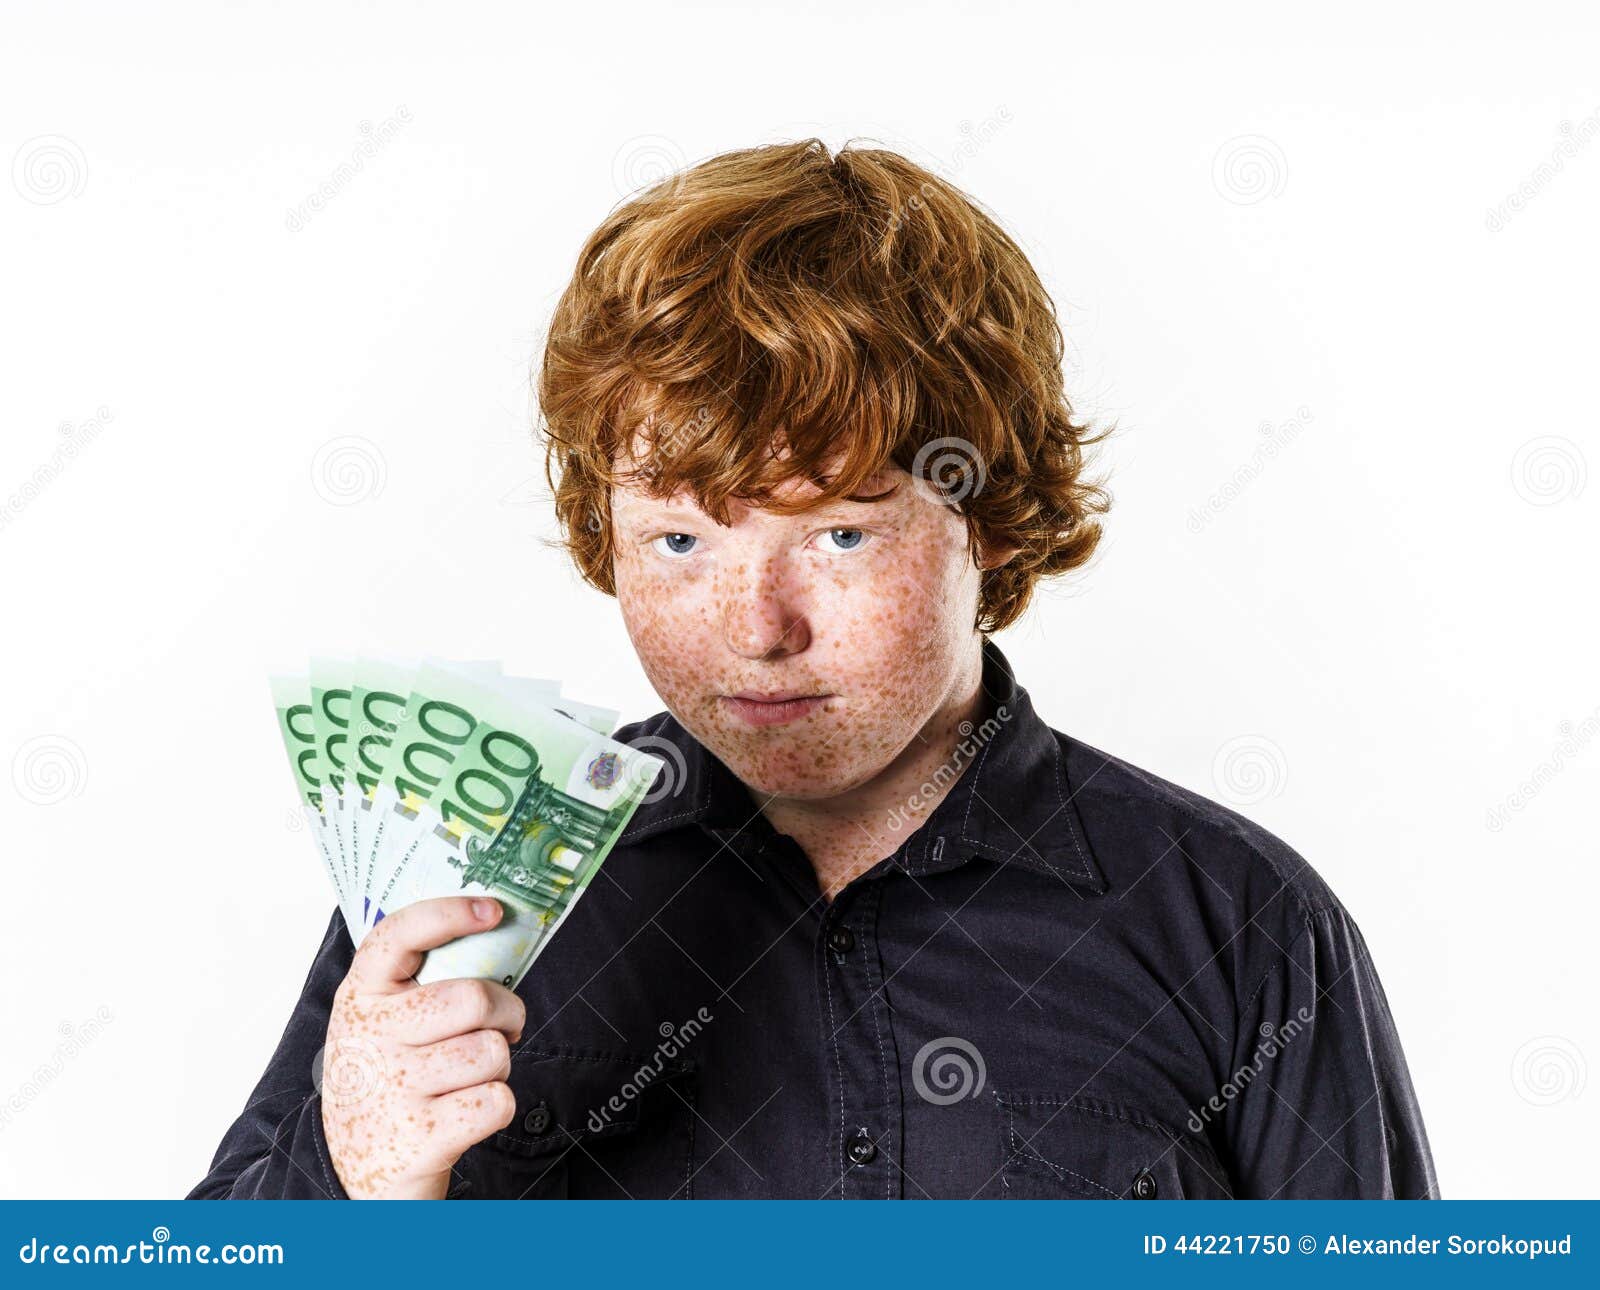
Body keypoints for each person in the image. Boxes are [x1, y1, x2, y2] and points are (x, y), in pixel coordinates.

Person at [190, 139, 1438, 1200]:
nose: (756, 629)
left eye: (839, 534)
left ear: (989, 518)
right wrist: (349, 1185)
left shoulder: (1241, 926)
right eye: (680, 542)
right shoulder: (468, 886)